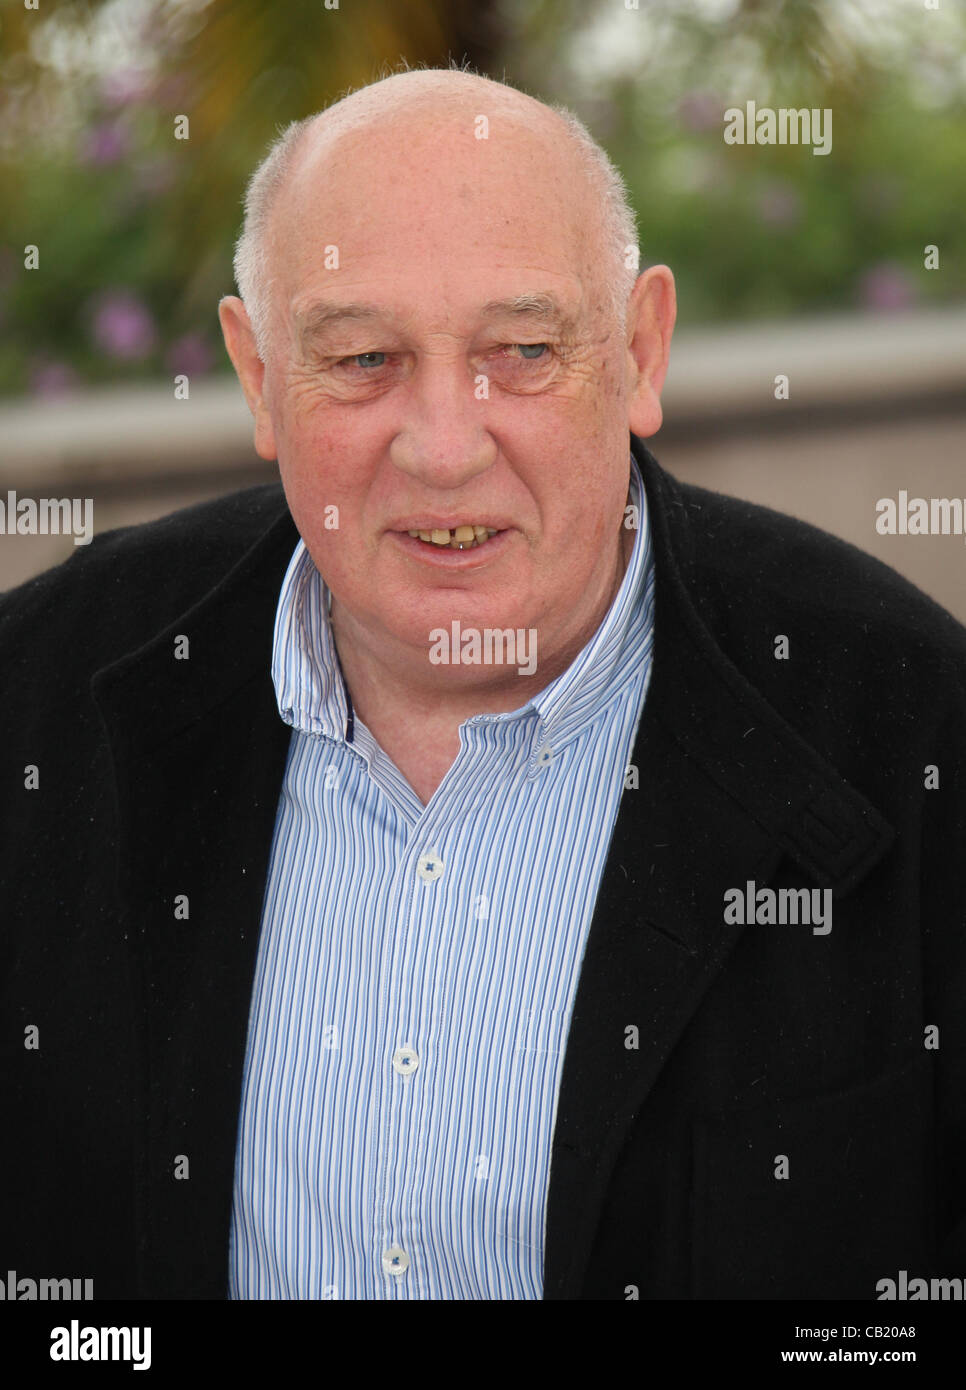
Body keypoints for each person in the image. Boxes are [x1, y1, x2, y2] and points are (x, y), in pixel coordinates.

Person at [2, 67, 964, 1302]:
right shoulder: (35, 701)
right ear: (254, 373)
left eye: (522, 350)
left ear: (639, 351)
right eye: (361, 357)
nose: (446, 447)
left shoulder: (908, 717)